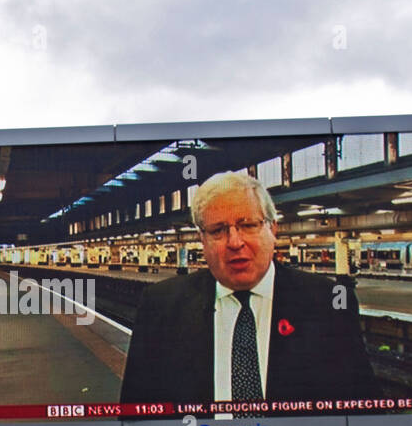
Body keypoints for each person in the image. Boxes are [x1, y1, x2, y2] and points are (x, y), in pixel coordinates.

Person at [120, 170, 377, 405]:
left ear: (272, 229)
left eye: (248, 225)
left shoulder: (328, 303)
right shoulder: (160, 305)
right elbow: (136, 415)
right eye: (218, 230)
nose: (235, 242)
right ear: (202, 240)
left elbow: (362, 411)